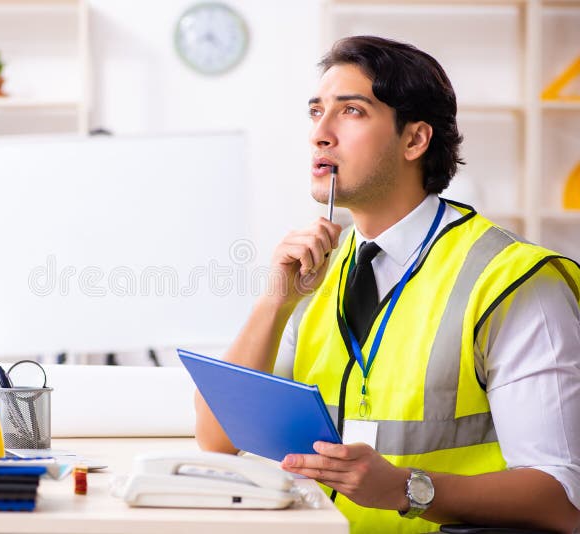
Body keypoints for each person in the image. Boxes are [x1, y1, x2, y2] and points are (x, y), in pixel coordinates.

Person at [194, 35, 580, 533]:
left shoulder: (514, 280)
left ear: (415, 140)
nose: (320, 134)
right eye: (316, 112)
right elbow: (218, 436)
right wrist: (275, 301)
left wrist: (405, 487)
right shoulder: (317, 268)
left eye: (351, 112)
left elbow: (560, 499)